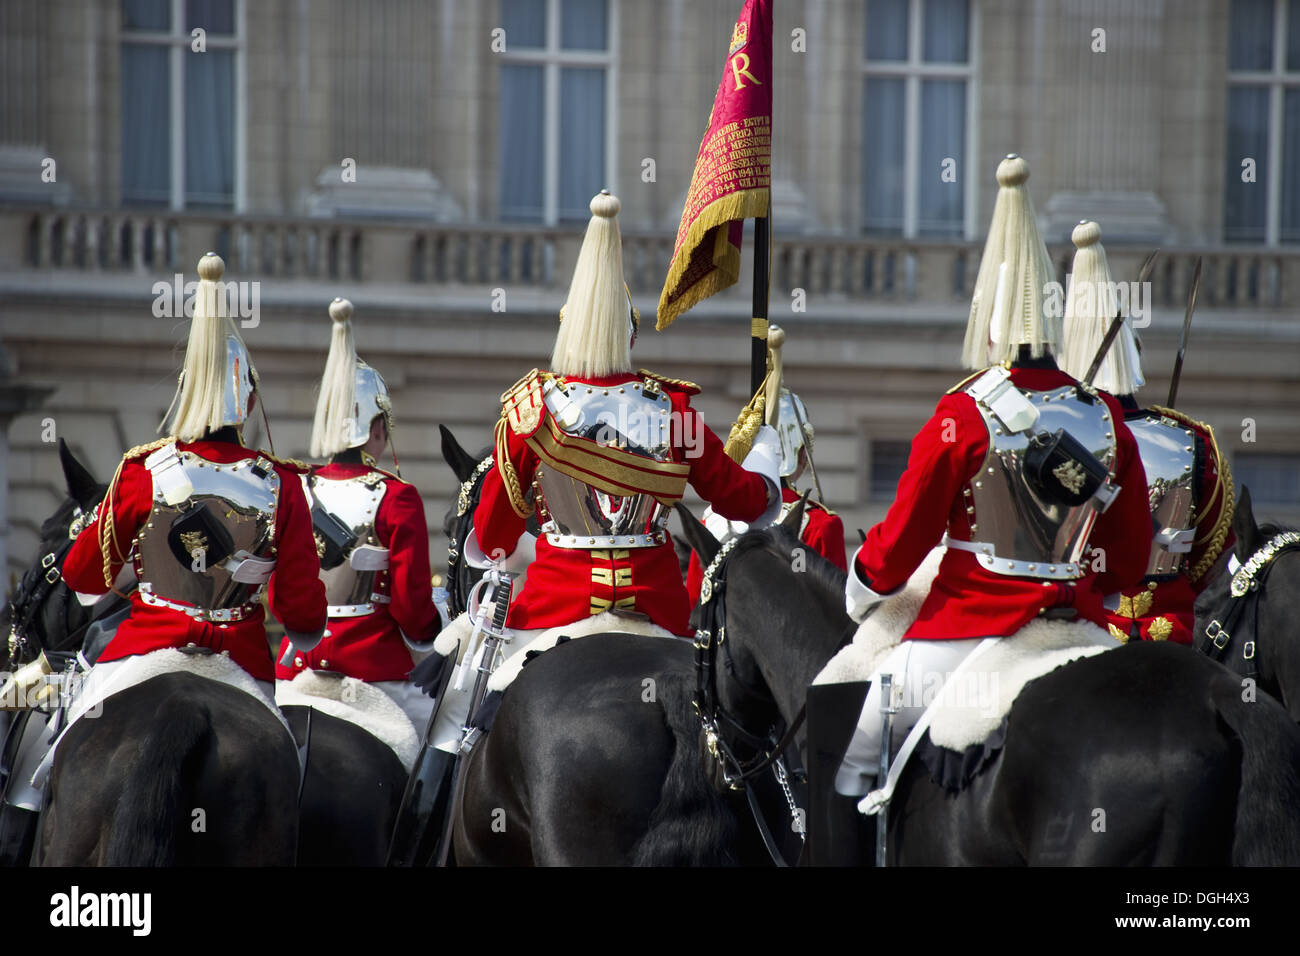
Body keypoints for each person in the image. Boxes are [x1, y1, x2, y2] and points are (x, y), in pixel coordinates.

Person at [831, 156, 1153, 800]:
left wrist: (866, 582)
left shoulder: (964, 414)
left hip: (972, 619)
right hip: (1080, 621)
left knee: (858, 754)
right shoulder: (1103, 416)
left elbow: (902, 542)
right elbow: (1129, 560)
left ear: (990, 316)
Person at [0, 253, 326, 863]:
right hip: (243, 665)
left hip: (138, 656)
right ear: (248, 403)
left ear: (186, 391)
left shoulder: (143, 470)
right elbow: (304, 610)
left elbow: (81, 577)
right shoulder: (281, 485)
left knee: (36, 751)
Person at [1059, 221, 1234, 644]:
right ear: (1132, 354)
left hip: (1078, 632)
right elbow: (1214, 556)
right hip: (1172, 635)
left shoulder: (1052, 439)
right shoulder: (1192, 440)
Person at [276, 297, 441, 731]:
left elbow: (280, 596)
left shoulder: (294, 488)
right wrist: (430, 629)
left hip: (297, 669)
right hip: (375, 672)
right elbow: (409, 607)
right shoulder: (396, 496)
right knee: (449, 737)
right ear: (376, 428)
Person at [685, 324, 847, 604]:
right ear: (802, 455)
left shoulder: (711, 519)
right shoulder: (820, 525)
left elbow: (693, 606)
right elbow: (834, 612)